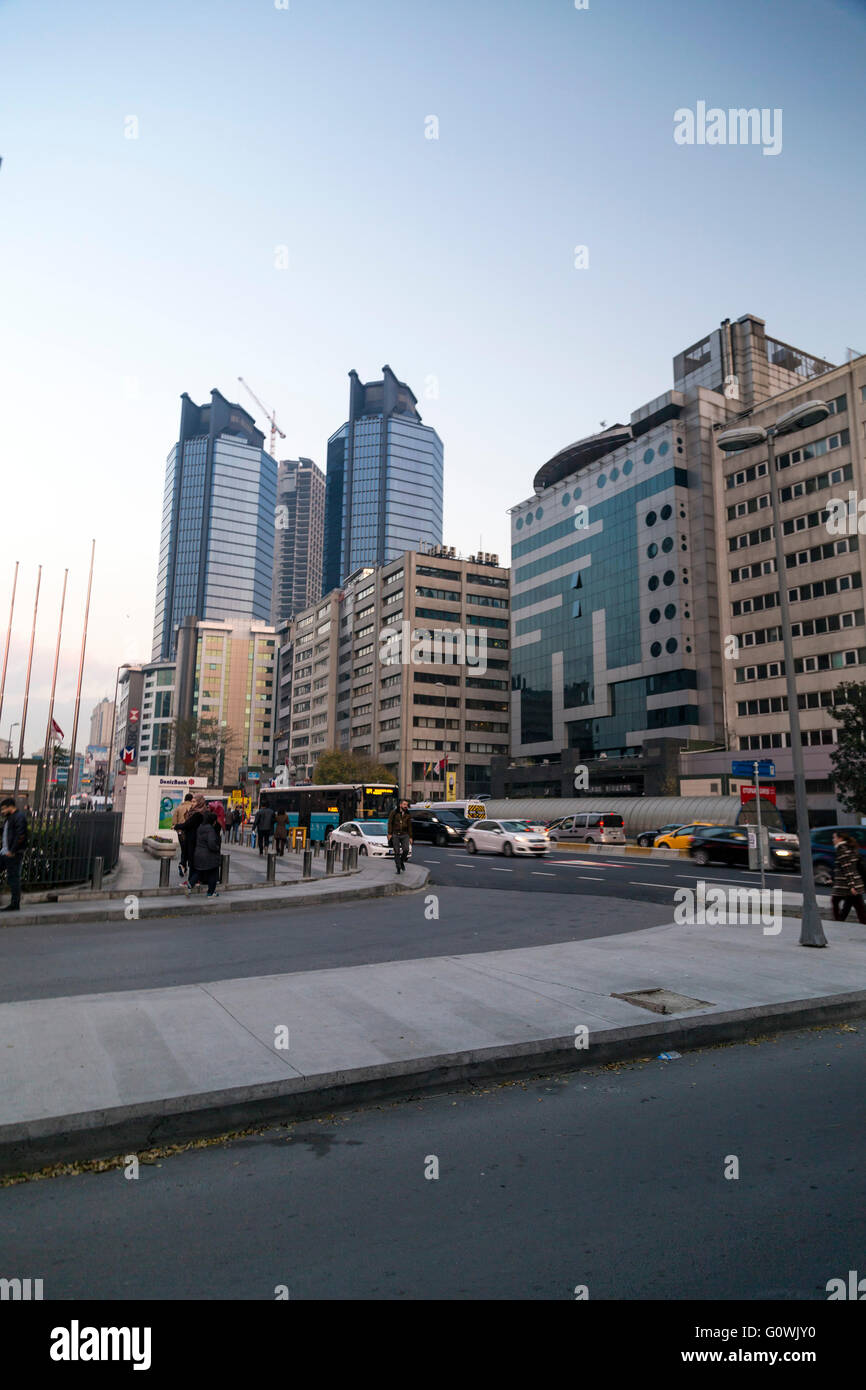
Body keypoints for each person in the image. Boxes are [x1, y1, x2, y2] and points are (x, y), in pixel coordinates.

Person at [830, 831, 866, 924]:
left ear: (840, 839)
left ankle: (838, 922)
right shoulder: (851, 847)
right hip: (854, 882)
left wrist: (851, 886)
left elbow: (847, 868)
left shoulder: (841, 850)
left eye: (834, 838)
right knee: (857, 905)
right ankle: (841, 921)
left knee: (835, 901)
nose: (833, 840)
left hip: (845, 885)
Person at [0, 796, 29, 911]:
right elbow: (7, 832)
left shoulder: (19, 817)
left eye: (3, 809)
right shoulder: (10, 818)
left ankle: (15, 904)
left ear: (10, 807)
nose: (2, 811)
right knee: (13, 877)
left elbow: (21, 836)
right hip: (5, 852)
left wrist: (12, 851)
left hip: (13, 854)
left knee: (13, 878)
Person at [188, 809, 221, 899]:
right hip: (209, 855)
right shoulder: (210, 829)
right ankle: (210, 892)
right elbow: (211, 844)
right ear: (212, 821)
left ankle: (190, 884)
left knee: (199, 871)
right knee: (212, 873)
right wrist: (216, 848)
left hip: (198, 854)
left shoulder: (200, 827)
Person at [182, 795, 207, 890]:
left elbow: (188, 824)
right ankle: (192, 880)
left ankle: (193, 880)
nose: (192, 803)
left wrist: (178, 826)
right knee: (190, 860)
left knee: (193, 861)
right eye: (192, 801)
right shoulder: (193, 812)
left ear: (199, 803)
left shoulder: (199, 814)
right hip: (190, 839)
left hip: (195, 840)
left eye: (194, 802)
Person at [387, 799, 413, 875]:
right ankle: (398, 867)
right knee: (397, 851)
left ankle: (401, 862)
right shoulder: (394, 812)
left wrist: (411, 837)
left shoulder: (408, 814)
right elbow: (390, 823)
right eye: (404, 804)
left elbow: (410, 826)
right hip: (395, 834)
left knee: (406, 850)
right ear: (400, 805)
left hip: (405, 834)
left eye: (407, 805)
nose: (406, 806)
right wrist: (389, 834)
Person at [172, 793, 193, 883]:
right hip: (190, 831)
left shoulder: (179, 808)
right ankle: (184, 866)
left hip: (180, 832)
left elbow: (174, 822)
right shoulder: (193, 807)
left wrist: (177, 830)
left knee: (183, 849)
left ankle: (183, 866)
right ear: (191, 799)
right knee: (189, 849)